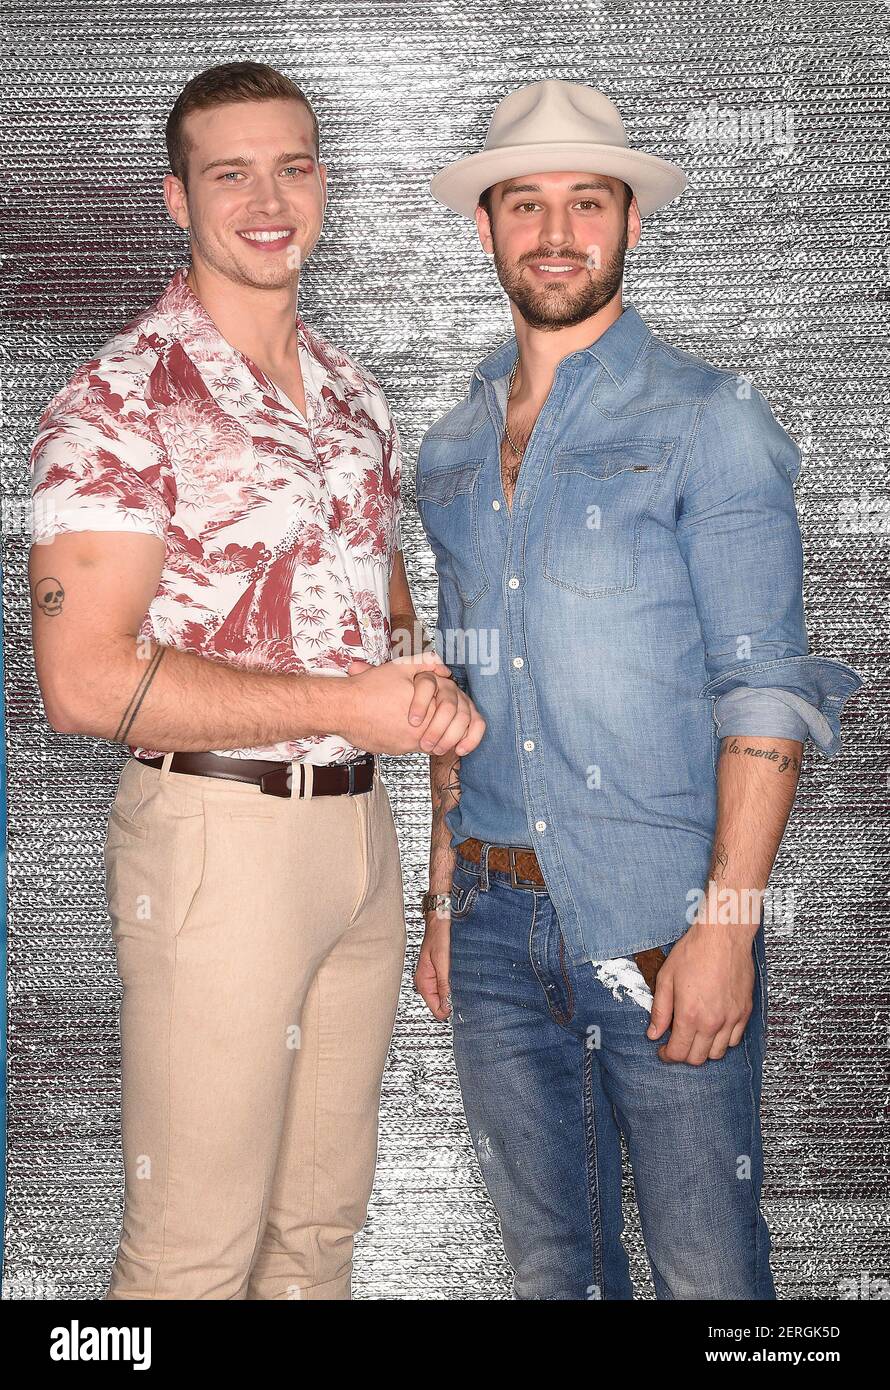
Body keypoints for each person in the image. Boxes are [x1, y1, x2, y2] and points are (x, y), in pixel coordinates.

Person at [27, 60, 484, 1301]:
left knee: (316, 1240)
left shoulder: (352, 399)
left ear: (322, 182)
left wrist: (440, 861)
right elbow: (81, 683)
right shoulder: (119, 401)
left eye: (292, 165)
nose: (266, 197)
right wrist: (346, 706)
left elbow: (385, 616)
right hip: (216, 838)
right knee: (190, 1260)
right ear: (178, 200)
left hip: (358, 843)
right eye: (230, 172)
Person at [414, 80, 862, 1300]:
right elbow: (459, 692)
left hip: (664, 923)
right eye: (525, 204)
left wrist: (727, 924)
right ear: (486, 227)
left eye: (585, 202)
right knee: (553, 1269)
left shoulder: (707, 419)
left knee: (709, 1274)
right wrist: (443, 895)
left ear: (629, 223)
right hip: (497, 925)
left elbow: (763, 688)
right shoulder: (451, 447)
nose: (554, 230)